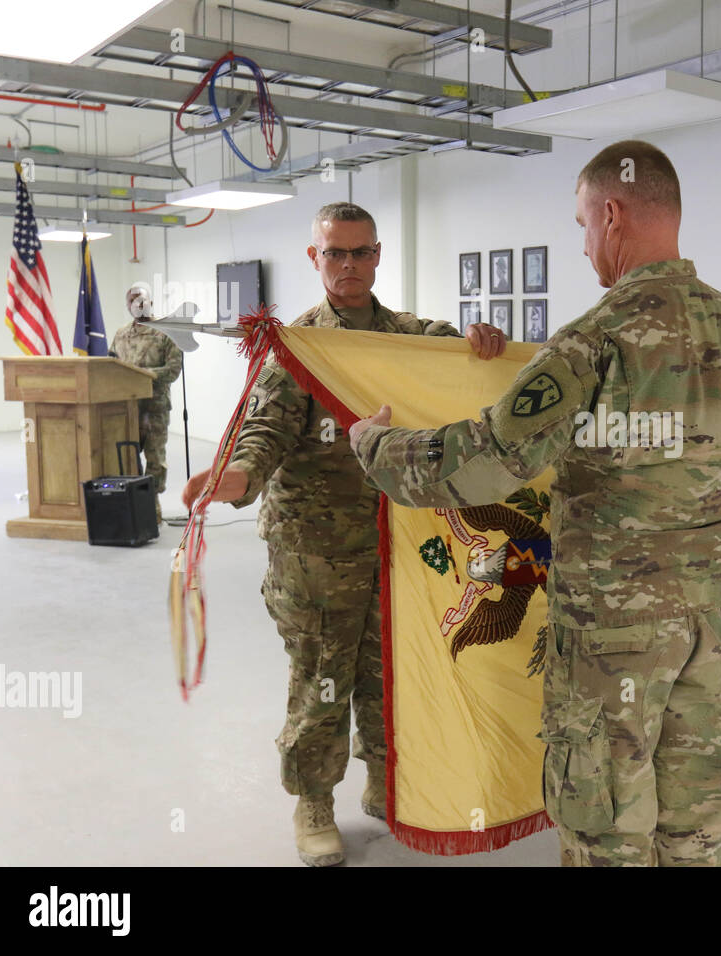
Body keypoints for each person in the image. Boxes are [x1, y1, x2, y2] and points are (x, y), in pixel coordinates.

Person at [348, 140, 721, 866]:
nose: (586, 244)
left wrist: (375, 447)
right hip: (714, 634)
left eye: (584, 224)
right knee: (694, 842)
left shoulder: (594, 340)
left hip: (612, 647)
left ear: (613, 215)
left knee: (608, 845)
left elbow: (484, 467)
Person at [180, 201, 507, 867]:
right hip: (316, 555)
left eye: (360, 252)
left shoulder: (404, 336)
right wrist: (236, 477)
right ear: (315, 258)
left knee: (391, 673)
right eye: (335, 253)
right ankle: (314, 801)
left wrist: (484, 346)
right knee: (324, 680)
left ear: (378, 255)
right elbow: (264, 429)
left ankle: (386, 784)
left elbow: (457, 358)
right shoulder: (301, 347)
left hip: (394, 546)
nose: (348, 265)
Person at [110, 285, 182, 522]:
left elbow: (172, 370)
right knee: (128, 457)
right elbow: (110, 365)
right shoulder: (121, 334)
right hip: (125, 409)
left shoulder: (166, 332)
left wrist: (141, 374)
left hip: (154, 408)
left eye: (141, 299)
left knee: (154, 459)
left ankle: (153, 507)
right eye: (132, 300)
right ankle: (133, 502)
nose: (137, 304)